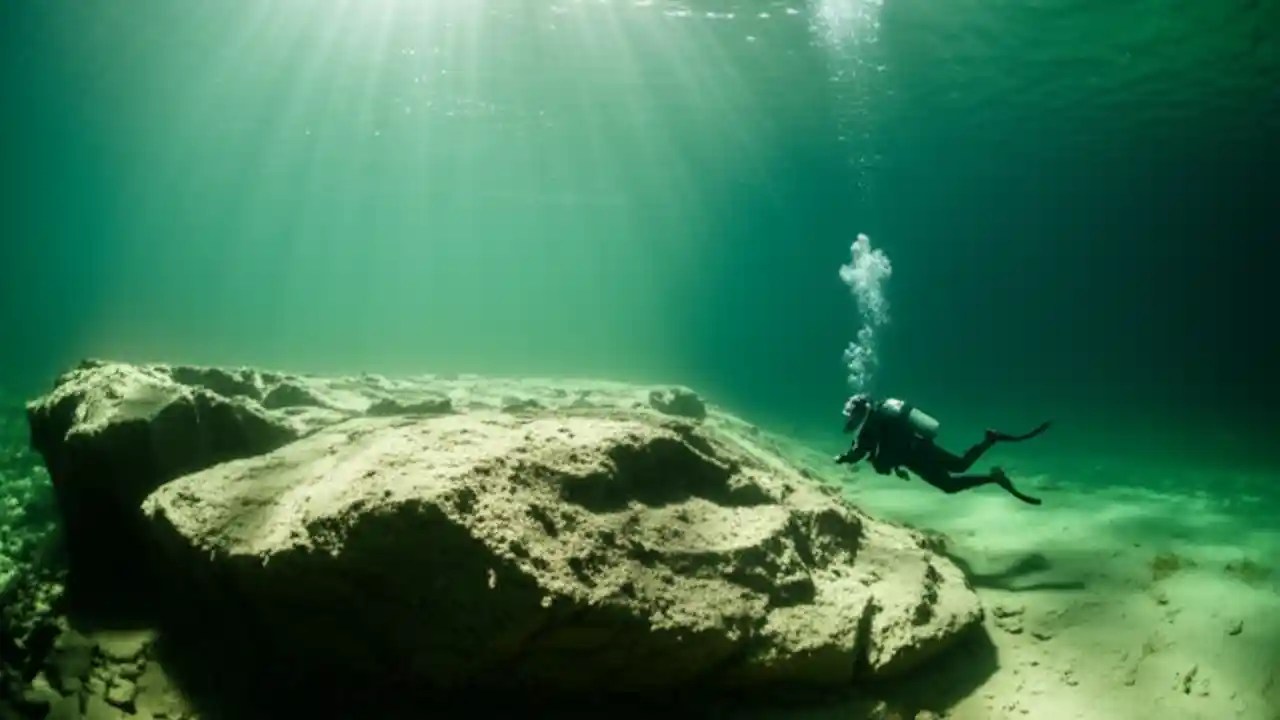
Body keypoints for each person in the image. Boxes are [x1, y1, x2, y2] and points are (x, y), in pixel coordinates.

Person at [834, 393, 1050, 505]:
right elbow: (884, 448)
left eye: (852, 415)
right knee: (958, 469)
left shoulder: (871, 426)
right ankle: (991, 445)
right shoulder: (879, 417)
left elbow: (861, 452)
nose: (851, 420)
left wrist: (842, 459)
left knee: (953, 478)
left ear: (860, 412)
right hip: (919, 450)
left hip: (918, 455)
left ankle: (993, 467)